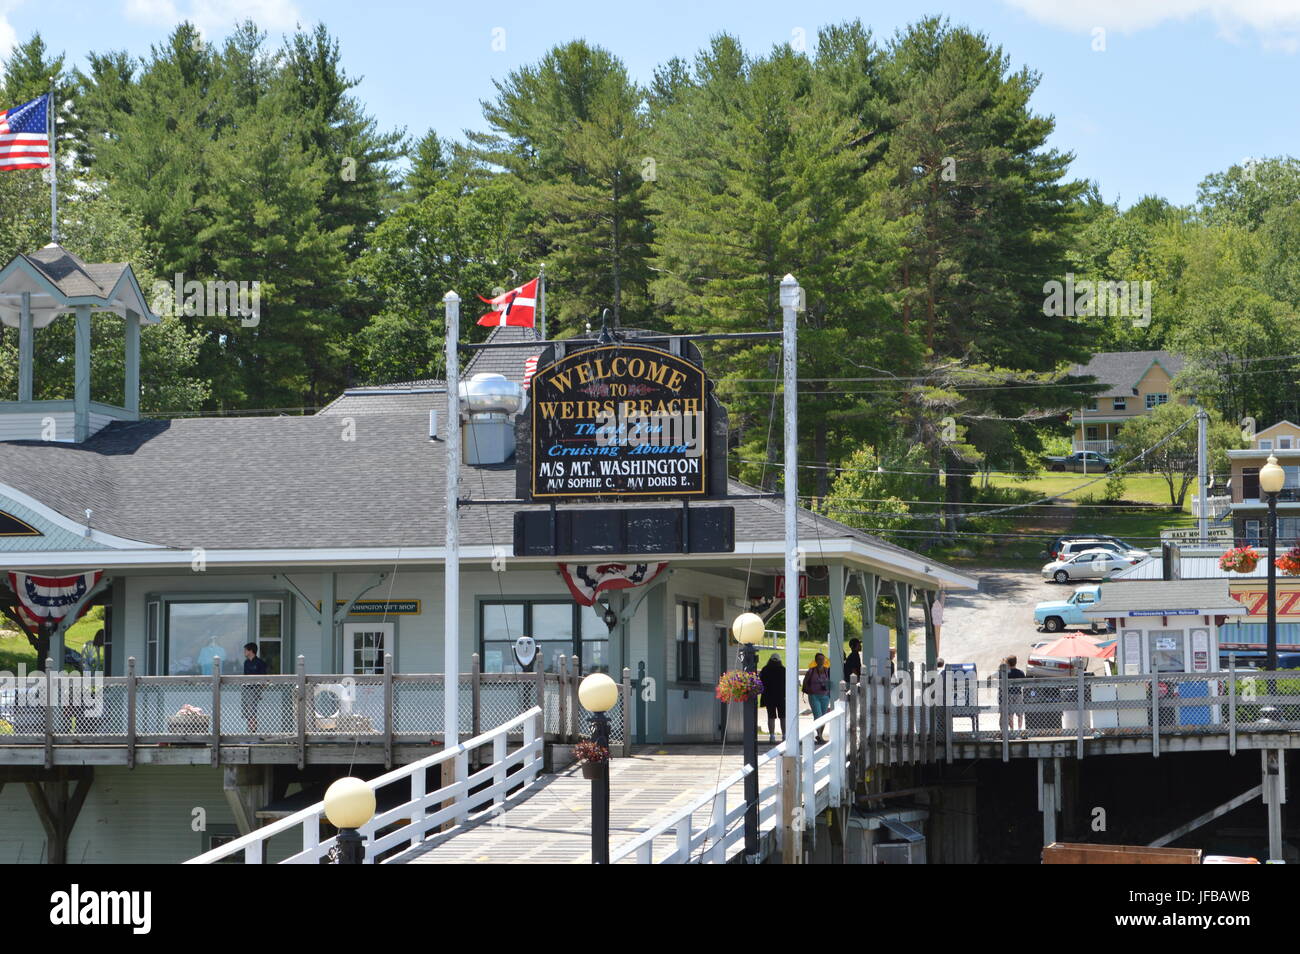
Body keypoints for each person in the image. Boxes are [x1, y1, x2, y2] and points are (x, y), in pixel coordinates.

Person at [803, 653, 832, 744]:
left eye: (822, 659)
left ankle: (820, 735)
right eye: (819, 659)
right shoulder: (811, 671)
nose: (821, 661)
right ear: (816, 661)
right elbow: (805, 681)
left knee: (823, 717)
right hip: (814, 696)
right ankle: (818, 734)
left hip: (825, 696)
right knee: (818, 715)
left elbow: (831, 682)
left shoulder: (827, 671)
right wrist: (807, 690)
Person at [758, 654, 786, 741]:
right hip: (781, 696)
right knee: (783, 717)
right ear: (779, 660)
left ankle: (772, 735)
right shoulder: (783, 670)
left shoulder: (765, 669)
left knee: (771, 717)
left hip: (769, 697)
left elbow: (760, 682)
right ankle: (784, 735)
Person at [242, 642, 268, 732]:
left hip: (255, 690)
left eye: (245, 650)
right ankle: (249, 732)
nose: (244, 652)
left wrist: (259, 691)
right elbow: (245, 677)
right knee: (247, 712)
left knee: (252, 712)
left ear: (251, 651)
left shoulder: (260, 663)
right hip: (246, 690)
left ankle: (253, 734)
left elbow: (264, 680)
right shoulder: (246, 663)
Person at [1005, 655, 1027, 731]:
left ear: (1007, 663)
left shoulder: (1006, 673)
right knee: (1020, 713)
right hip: (1018, 694)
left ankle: (1012, 729)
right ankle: (1019, 729)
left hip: (1009, 694)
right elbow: (1025, 684)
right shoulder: (1020, 673)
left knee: (1010, 713)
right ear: (1015, 663)